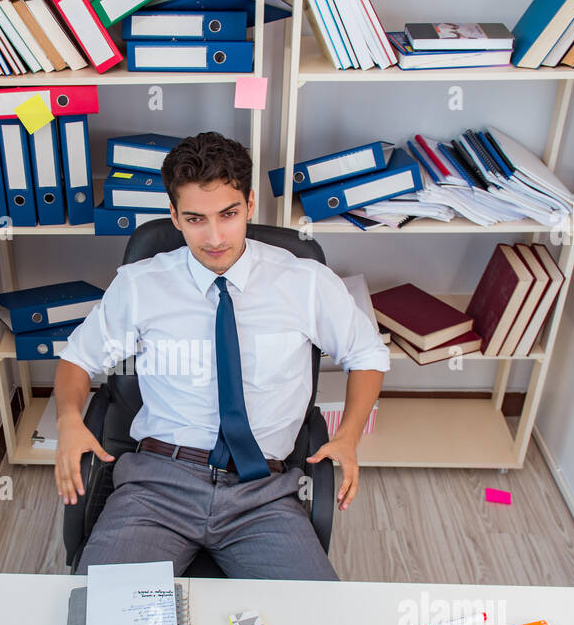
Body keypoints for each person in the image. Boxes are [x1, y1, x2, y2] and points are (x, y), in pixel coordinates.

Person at [53, 131, 389, 580]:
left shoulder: (306, 281)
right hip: (156, 485)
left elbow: (366, 354)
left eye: (228, 215)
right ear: (173, 215)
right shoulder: (140, 284)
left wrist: (347, 437)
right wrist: (68, 421)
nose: (214, 237)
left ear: (250, 204)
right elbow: (77, 359)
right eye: (195, 219)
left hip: (264, 492)